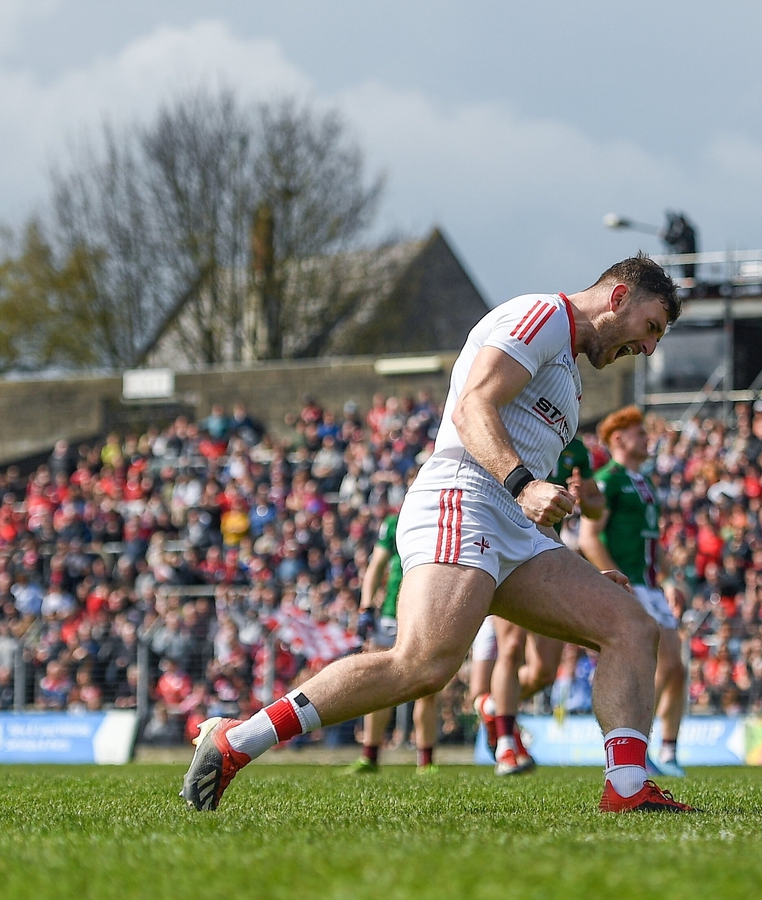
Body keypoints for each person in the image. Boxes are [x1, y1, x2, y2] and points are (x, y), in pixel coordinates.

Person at [182, 255, 693, 813]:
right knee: (423, 664)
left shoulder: (568, 372)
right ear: (617, 299)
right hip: (463, 496)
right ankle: (239, 740)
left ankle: (626, 790)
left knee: (628, 625)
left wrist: (575, 562)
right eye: (650, 329)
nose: (647, 349)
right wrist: (524, 485)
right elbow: (475, 406)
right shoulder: (543, 315)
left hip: (513, 527)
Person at [480, 434, 605, 776]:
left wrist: (584, 498)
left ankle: (493, 704)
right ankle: (506, 744)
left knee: (545, 671)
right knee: (511, 646)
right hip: (505, 546)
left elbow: (596, 509)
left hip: (546, 555)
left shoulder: (577, 448)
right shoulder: (516, 428)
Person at [580, 406, 688, 778]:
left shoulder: (644, 482)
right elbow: (588, 536)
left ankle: (668, 751)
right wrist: (616, 579)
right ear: (618, 439)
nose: (646, 438)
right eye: (639, 433)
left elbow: (654, 541)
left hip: (653, 584)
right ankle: (637, 747)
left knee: (676, 669)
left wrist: (671, 580)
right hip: (632, 584)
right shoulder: (607, 479)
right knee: (658, 665)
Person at [341, 504, 441, 775]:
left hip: (428, 612)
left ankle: (426, 760)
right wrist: (365, 607)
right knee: (380, 684)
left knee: (429, 687)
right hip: (391, 613)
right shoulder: (396, 522)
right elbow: (377, 565)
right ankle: (370, 755)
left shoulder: (444, 518)